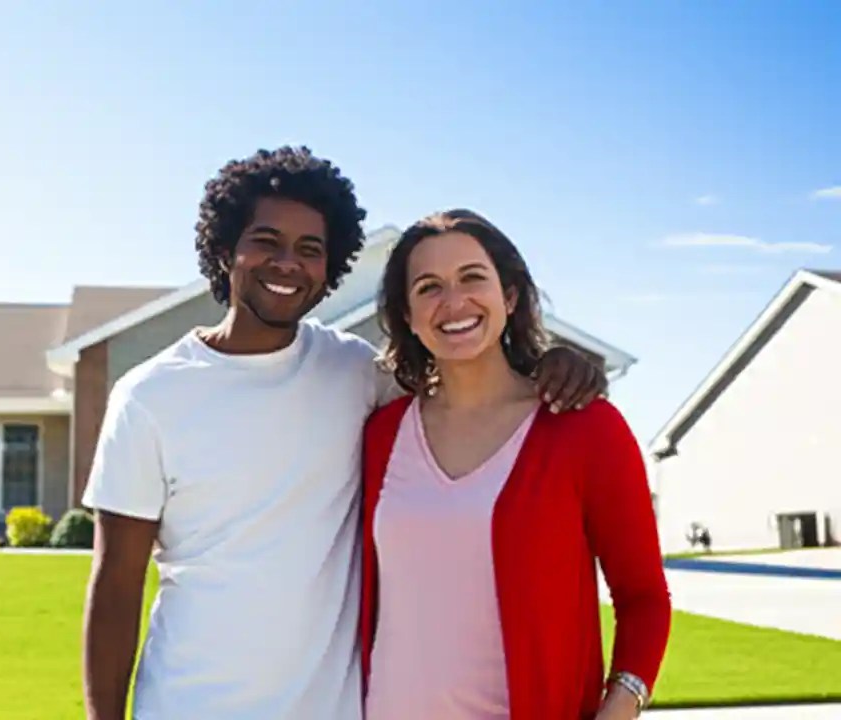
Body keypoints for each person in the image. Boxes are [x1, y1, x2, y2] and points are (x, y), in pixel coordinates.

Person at [80, 148, 606, 720]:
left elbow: (469, 388)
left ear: (330, 270)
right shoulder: (149, 396)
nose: (288, 263)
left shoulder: (356, 372)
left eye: (311, 249)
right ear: (226, 247)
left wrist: (551, 364)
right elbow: (115, 586)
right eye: (266, 241)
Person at [358, 209, 671, 720]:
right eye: (429, 287)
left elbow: (643, 597)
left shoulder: (583, 427)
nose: (453, 302)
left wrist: (622, 705)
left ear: (509, 296)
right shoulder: (379, 434)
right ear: (408, 316)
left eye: (472, 278)